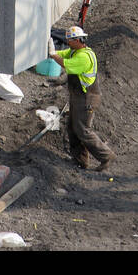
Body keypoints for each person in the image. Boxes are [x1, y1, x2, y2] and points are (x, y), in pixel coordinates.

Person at [49, 25, 114, 171]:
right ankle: (80, 161)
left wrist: (53, 55)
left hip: (87, 99)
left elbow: (66, 64)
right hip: (78, 96)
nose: (68, 43)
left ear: (78, 40)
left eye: (70, 40)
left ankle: (106, 156)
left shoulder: (83, 57)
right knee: (73, 128)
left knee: (83, 130)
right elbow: (64, 54)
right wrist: (53, 53)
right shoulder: (75, 51)